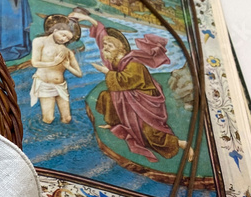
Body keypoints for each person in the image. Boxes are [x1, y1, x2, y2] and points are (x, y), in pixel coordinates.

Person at [70, 10, 186, 162]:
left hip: (146, 103)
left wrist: (106, 72)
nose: (105, 48)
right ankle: (116, 123)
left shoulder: (133, 63)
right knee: (106, 97)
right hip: (130, 98)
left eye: (110, 46)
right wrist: (87, 19)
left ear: (122, 49)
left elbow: (125, 81)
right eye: (106, 46)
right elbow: (101, 36)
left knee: (150, 133)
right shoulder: (113, 58)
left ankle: (181, 144)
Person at [30, 15, 83, 124]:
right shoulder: (39, 41)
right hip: (45, 84)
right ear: (55, 29)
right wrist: (53, 63)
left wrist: (67, 66)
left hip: (61, 86)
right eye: (63, 35)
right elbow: (35, 63)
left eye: (67, 39)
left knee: (67, 118)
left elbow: (79, 74)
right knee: (48, 119)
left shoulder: (66, 51)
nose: (64, 39)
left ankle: (66, 138)